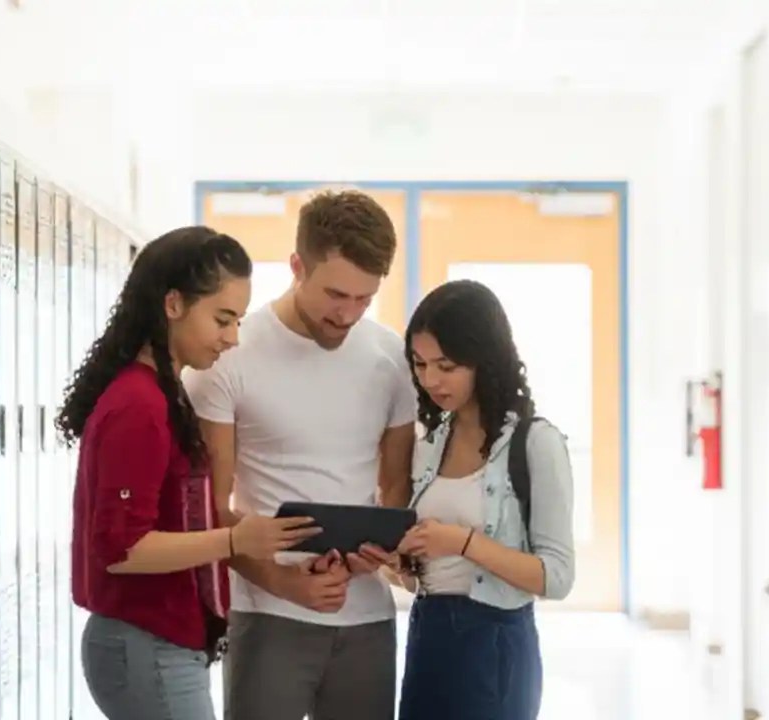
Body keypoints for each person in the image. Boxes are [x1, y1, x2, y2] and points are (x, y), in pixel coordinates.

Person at [57, 226, 321, 720]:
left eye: (239, 321)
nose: (233, 338)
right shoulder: (139, 405)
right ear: (173, 303)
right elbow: (122, 548)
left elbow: (177, 516)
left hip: (160, 642)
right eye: (222, 319)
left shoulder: (161, 392)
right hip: (145, 646)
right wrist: (234, 542)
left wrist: (258, 534)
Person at [183, 190, 418, 720]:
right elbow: (208, 509)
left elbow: (396, 493)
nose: (349, 314)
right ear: (296, 266)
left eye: (365, 298)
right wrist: (283, 582)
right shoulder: (228, 357)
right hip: (267, 614)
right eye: (336, 294)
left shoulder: (391, 359)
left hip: (366, 622)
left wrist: (376, 556)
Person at [390, 279, 576, 720]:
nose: (431, 380)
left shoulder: (536, 442)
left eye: (446, 365)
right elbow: (431, 573)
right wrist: (398, 562)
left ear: (484, 360)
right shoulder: (431, 442)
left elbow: (557, 576)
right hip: (427, 634)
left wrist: (461, 542)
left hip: (495, 644)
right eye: (420, 364)